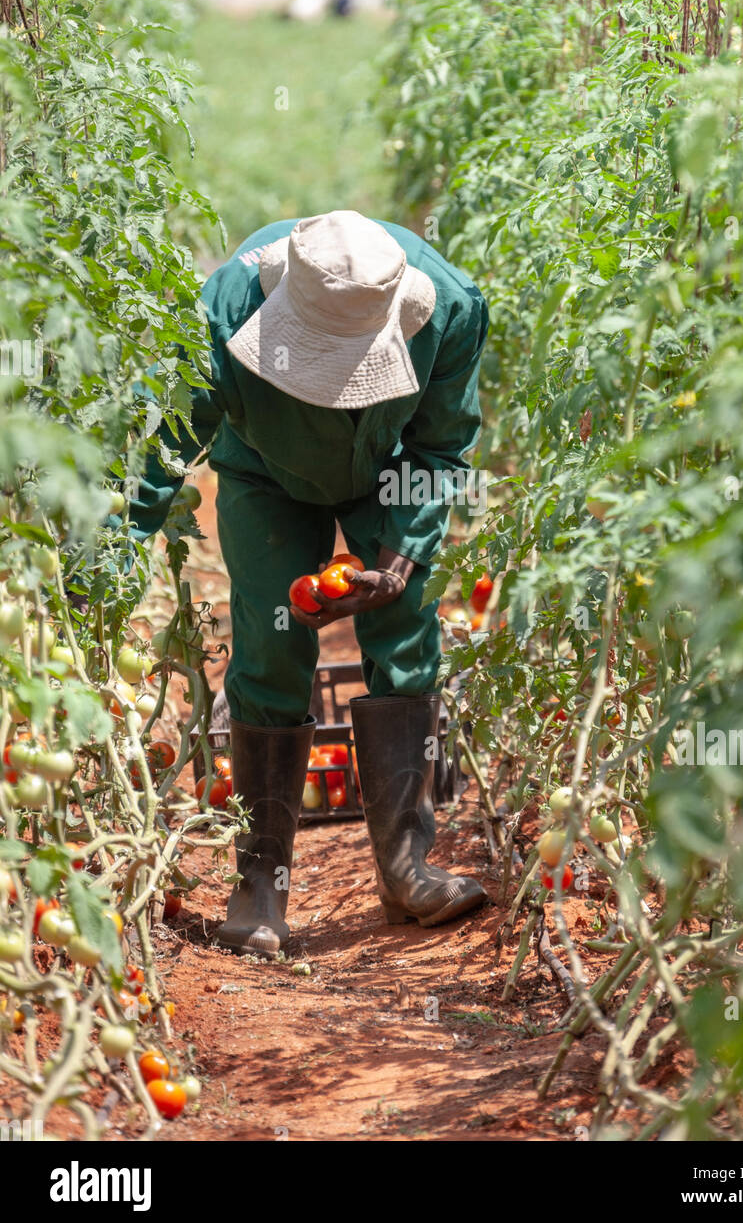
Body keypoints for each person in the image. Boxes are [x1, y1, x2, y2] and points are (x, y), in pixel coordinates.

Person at [128, 211, 489, 957]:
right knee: (271, 639)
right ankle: (262, 880)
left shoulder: (449, 309)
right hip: (265, 474)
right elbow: (164, 448)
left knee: (407, 631)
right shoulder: (222, 316)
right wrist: (109, 556)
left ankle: (406, 865)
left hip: (388, 470)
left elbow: (440, 447)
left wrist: (401, 557)